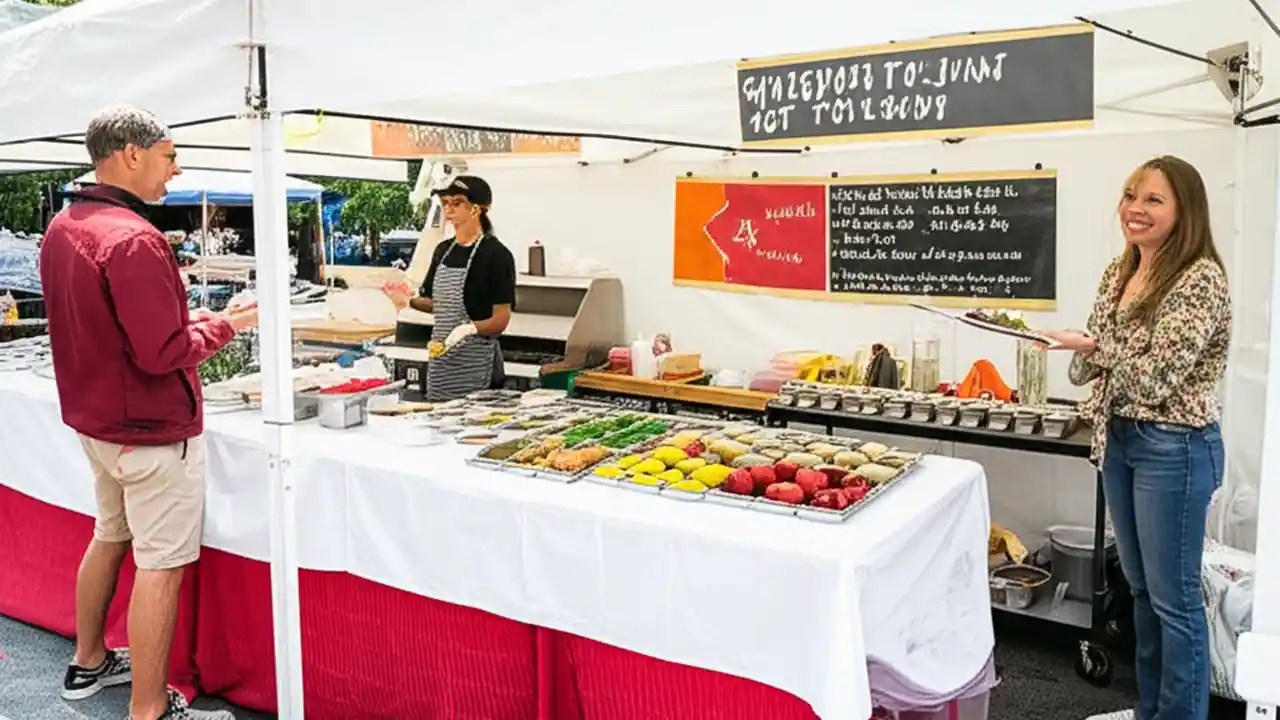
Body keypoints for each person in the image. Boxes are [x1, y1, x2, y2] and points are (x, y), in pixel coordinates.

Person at [39, 105, 258, 720]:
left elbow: (119, 329)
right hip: (151, 431)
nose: (176, 169)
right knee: (160, 566)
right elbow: (163, 351)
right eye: (169, 156)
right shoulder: (134, 238)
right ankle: (149, 709)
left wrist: (199, 323)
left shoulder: (65, 225)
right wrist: (225, 323)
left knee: (110, 534)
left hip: (98, 423)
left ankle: (88, 662)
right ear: (131, 154)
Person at [1041, 155, 1230, 720]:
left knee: (1175, 604)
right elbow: (1084, 372)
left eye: (1153, 199)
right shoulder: (1117, 272)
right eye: (1129, 195)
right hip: (1119, 440)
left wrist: (1095, 349)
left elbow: (1156, 378)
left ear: (1185, 210)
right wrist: (1079, 349)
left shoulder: (1200, 279)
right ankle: (1150, 710)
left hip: (1175, 447)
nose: (1134, 209)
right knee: (1142, 592)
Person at [408, 175, 516, 401]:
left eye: (457, 203)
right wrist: (406, 299)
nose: (448, 209)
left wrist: (468, 329)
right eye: (445, 203)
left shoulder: (496, 255)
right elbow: (437, 303)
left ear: (478, 209)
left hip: (476, 362)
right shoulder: (442, 250)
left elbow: (501, 319)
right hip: (441, 361)